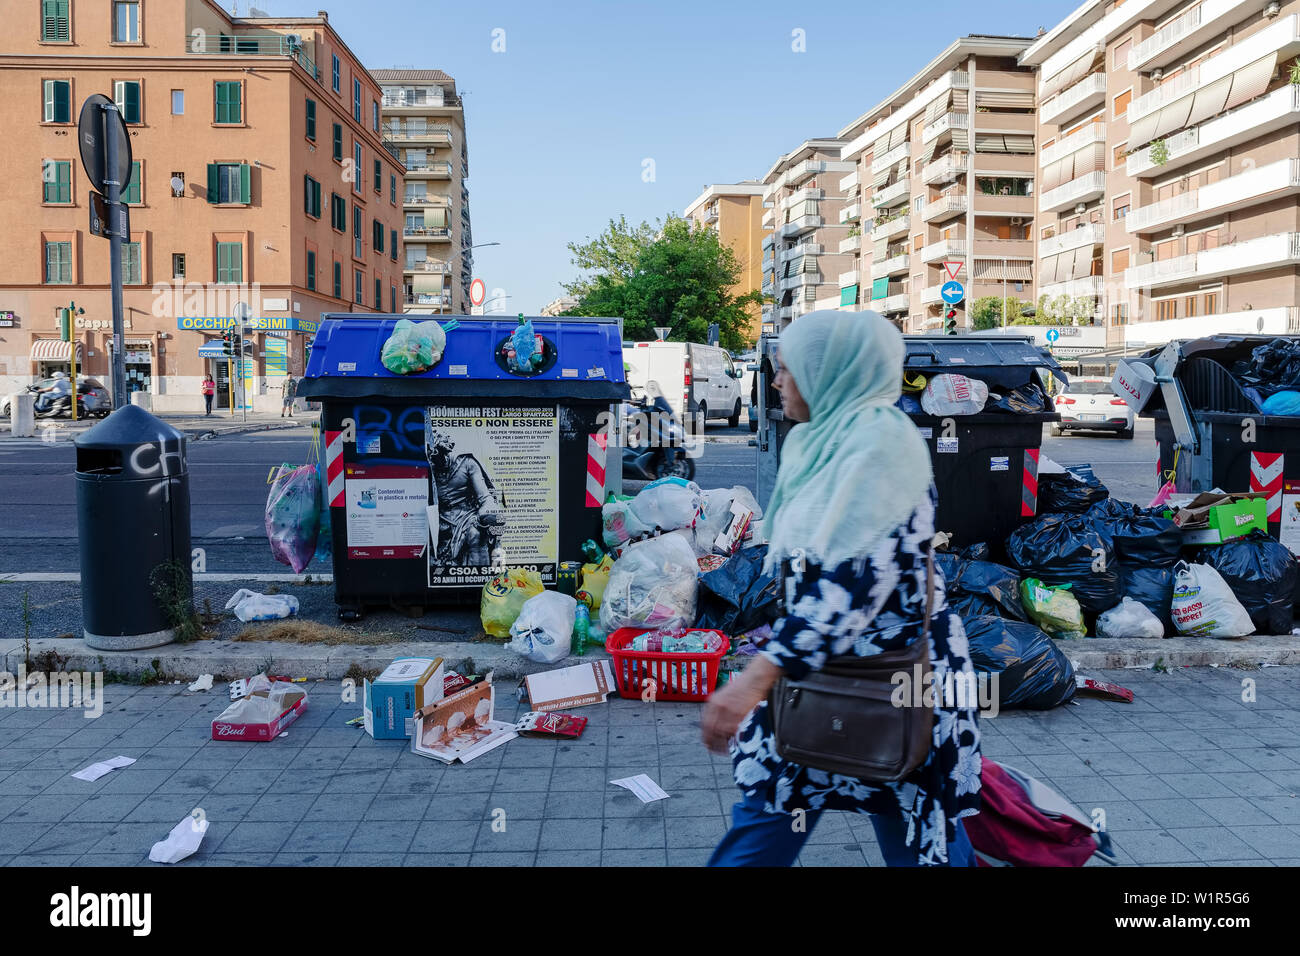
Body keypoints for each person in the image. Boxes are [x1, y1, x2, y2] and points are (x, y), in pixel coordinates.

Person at [700, 310, 982, 867]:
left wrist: (751, 681)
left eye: (788, 369)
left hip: (894, 682)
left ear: (829, 373)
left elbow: (850, 588)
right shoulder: (822, 443)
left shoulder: (880, 449)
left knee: (908, 817)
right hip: (826, 674)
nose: (777, 382)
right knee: (777, 813)